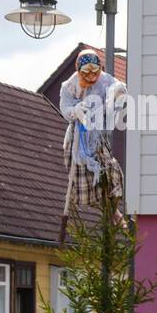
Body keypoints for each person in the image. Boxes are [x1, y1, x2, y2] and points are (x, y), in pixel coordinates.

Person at [58, 50, 126, 226]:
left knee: (112, 173)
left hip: (97, 137)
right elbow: (65, 108)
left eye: (94, 72)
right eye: (85, 73)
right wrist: (75, 111)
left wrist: (116, 94)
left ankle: (113, 209)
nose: (90, 76)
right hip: (77, 140)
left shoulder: (106, 81)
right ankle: (110, 213)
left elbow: (118, 89)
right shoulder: (70, 86)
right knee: (87, 182)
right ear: (79, 70)